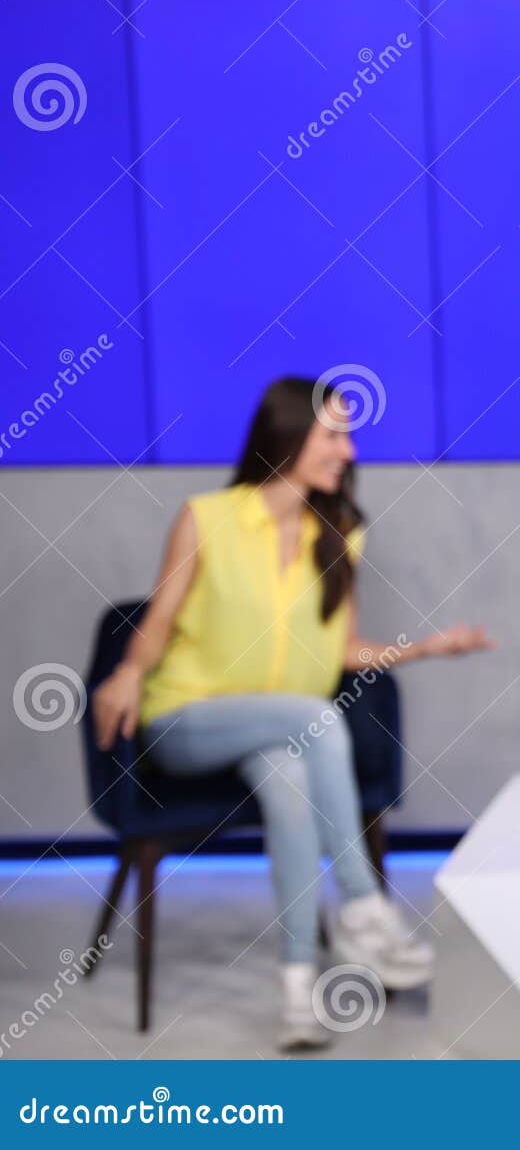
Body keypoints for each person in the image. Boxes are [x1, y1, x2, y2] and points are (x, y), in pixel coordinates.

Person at [90, 377, 496, 1051]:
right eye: (333, 434)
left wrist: (426, 647)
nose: (349, 448)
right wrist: (128, 671)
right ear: (286, 437)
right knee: (315, 718)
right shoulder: (206, 517)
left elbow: (341, 649)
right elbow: (157, 621)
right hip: (187, 720)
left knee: (288, 779)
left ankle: (295, 994)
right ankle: (365, 906)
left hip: (282, 731)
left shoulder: (339, 532)